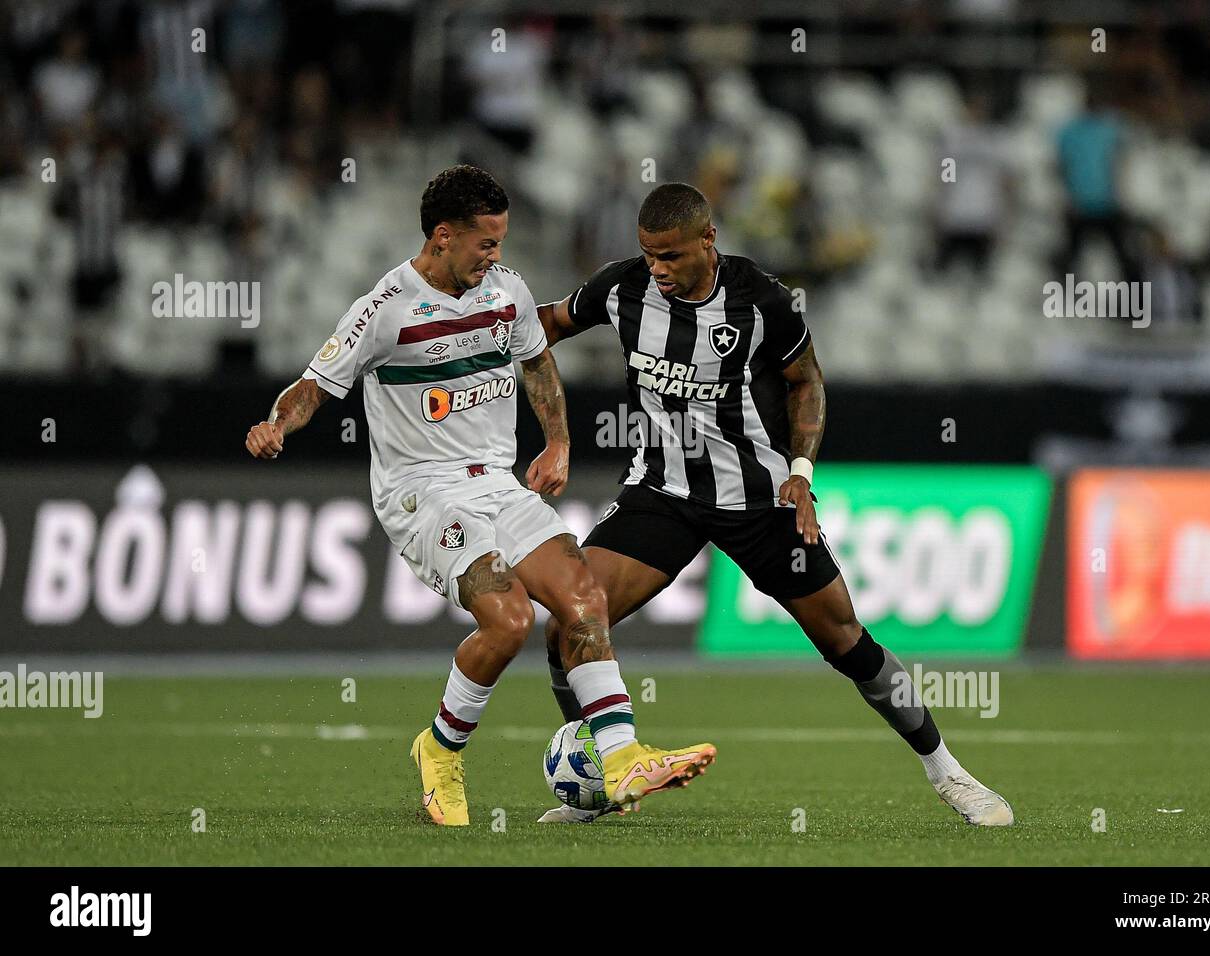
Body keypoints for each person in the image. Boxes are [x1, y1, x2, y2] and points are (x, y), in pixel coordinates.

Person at [245, 166, 715, 826]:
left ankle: (620, 756)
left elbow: (535, 361)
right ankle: (439, 748)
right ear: (443, 237)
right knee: (511, 620)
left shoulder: (507, 292)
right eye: (485, 244)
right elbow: (313, 387)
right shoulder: (386, 311)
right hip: (422, 494)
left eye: (500, 243)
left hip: (495, 482)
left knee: (583, 598)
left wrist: (558, 443)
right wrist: (275, 424)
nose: (495, 257)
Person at [536, 182, 1013, 826]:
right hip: (662, 494)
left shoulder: (762, 302)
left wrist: (800, 469)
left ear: (709, 241)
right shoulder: (622, 288)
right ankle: (605, 779)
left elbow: (806, 379)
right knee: (567, 621)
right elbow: (548, 323)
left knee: (846, 641)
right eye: (649, 256)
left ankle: (948, 772)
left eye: (671, 256)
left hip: (760, 500)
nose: (658, 270)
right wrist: (475, 329)